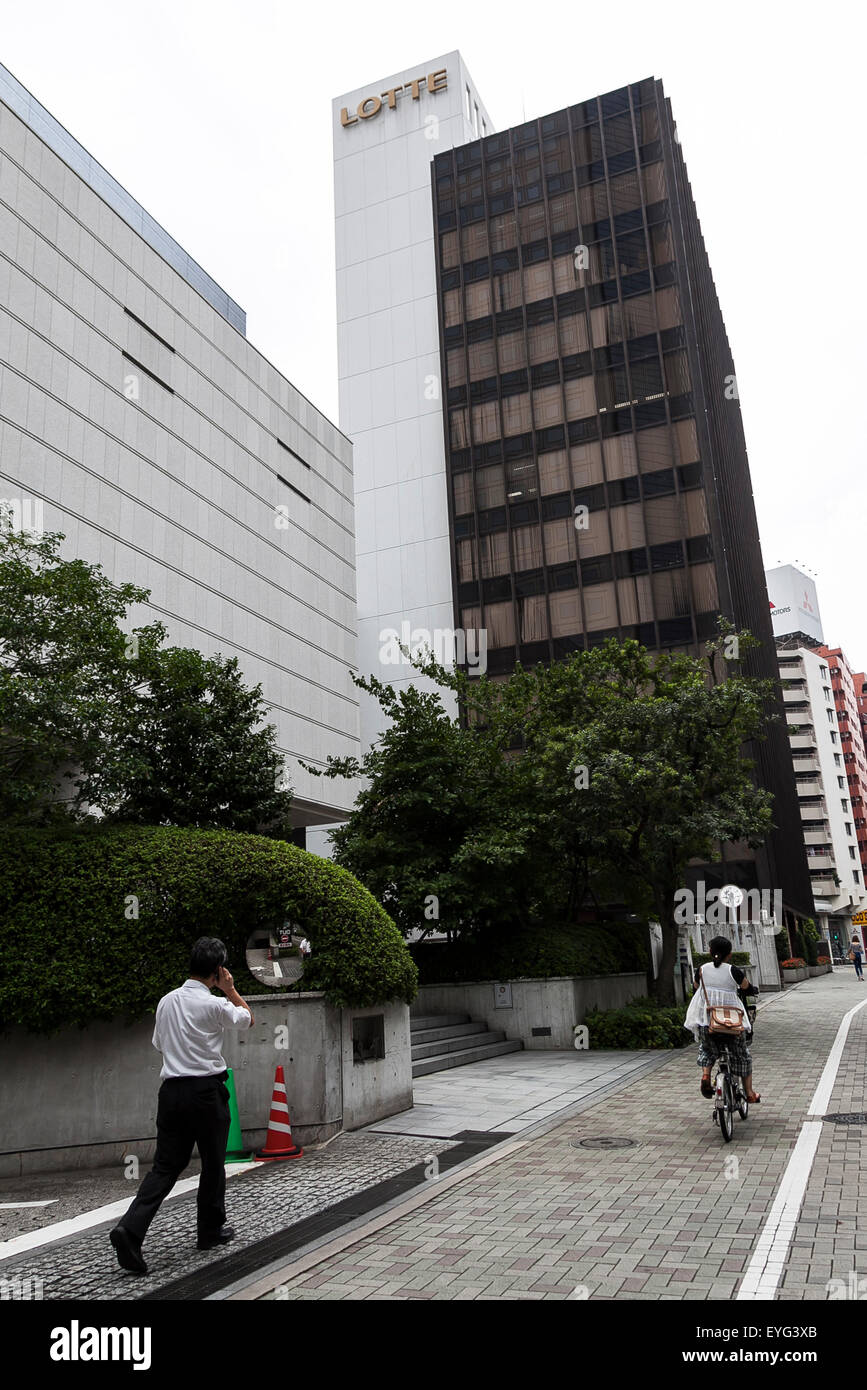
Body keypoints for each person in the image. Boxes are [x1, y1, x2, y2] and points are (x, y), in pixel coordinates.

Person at [109, 937, 254, 1276]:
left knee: (165, 1167)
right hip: (206, 1091)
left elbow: (159, 1043)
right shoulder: (216, 1005)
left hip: (172, 1091)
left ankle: (130, 1229)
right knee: (214, 1162)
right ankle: (210, 1231)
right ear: (219, 971)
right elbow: (248, 1019)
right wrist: (232, 991)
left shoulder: (166, 1001)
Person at [683, 936, 761, 1104]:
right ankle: (749, 1093)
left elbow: (696, 988)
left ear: (711, 952)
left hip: (708, 1021)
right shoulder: (733, 970)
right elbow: (746, 987)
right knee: (742, 1056)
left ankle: (706, 1075)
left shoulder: (702, 969)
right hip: (732, 1024)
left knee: (707, 1050)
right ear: (729, 954)